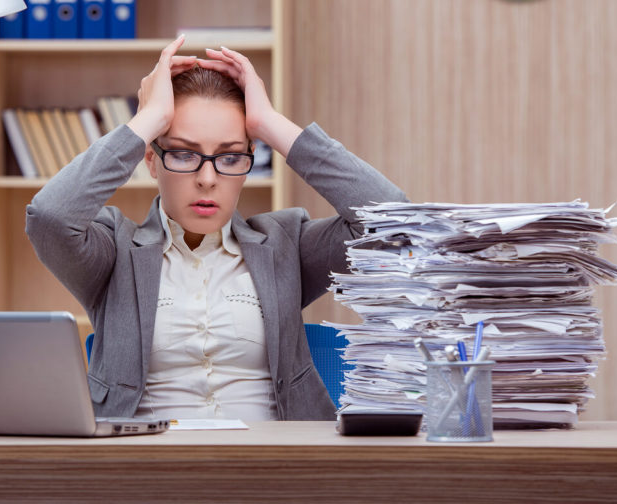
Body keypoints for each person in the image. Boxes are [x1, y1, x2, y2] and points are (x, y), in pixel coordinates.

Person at [26, 36, 406, 421]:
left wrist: (270, 124)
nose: (208, 178)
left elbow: (393, 221)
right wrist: (146, 121)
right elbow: (51, 218)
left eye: (229, 157)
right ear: (152, 161)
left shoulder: (285, 245)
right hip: (146, 469)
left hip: (273, 467)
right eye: (184, 153)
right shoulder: (115, 252)